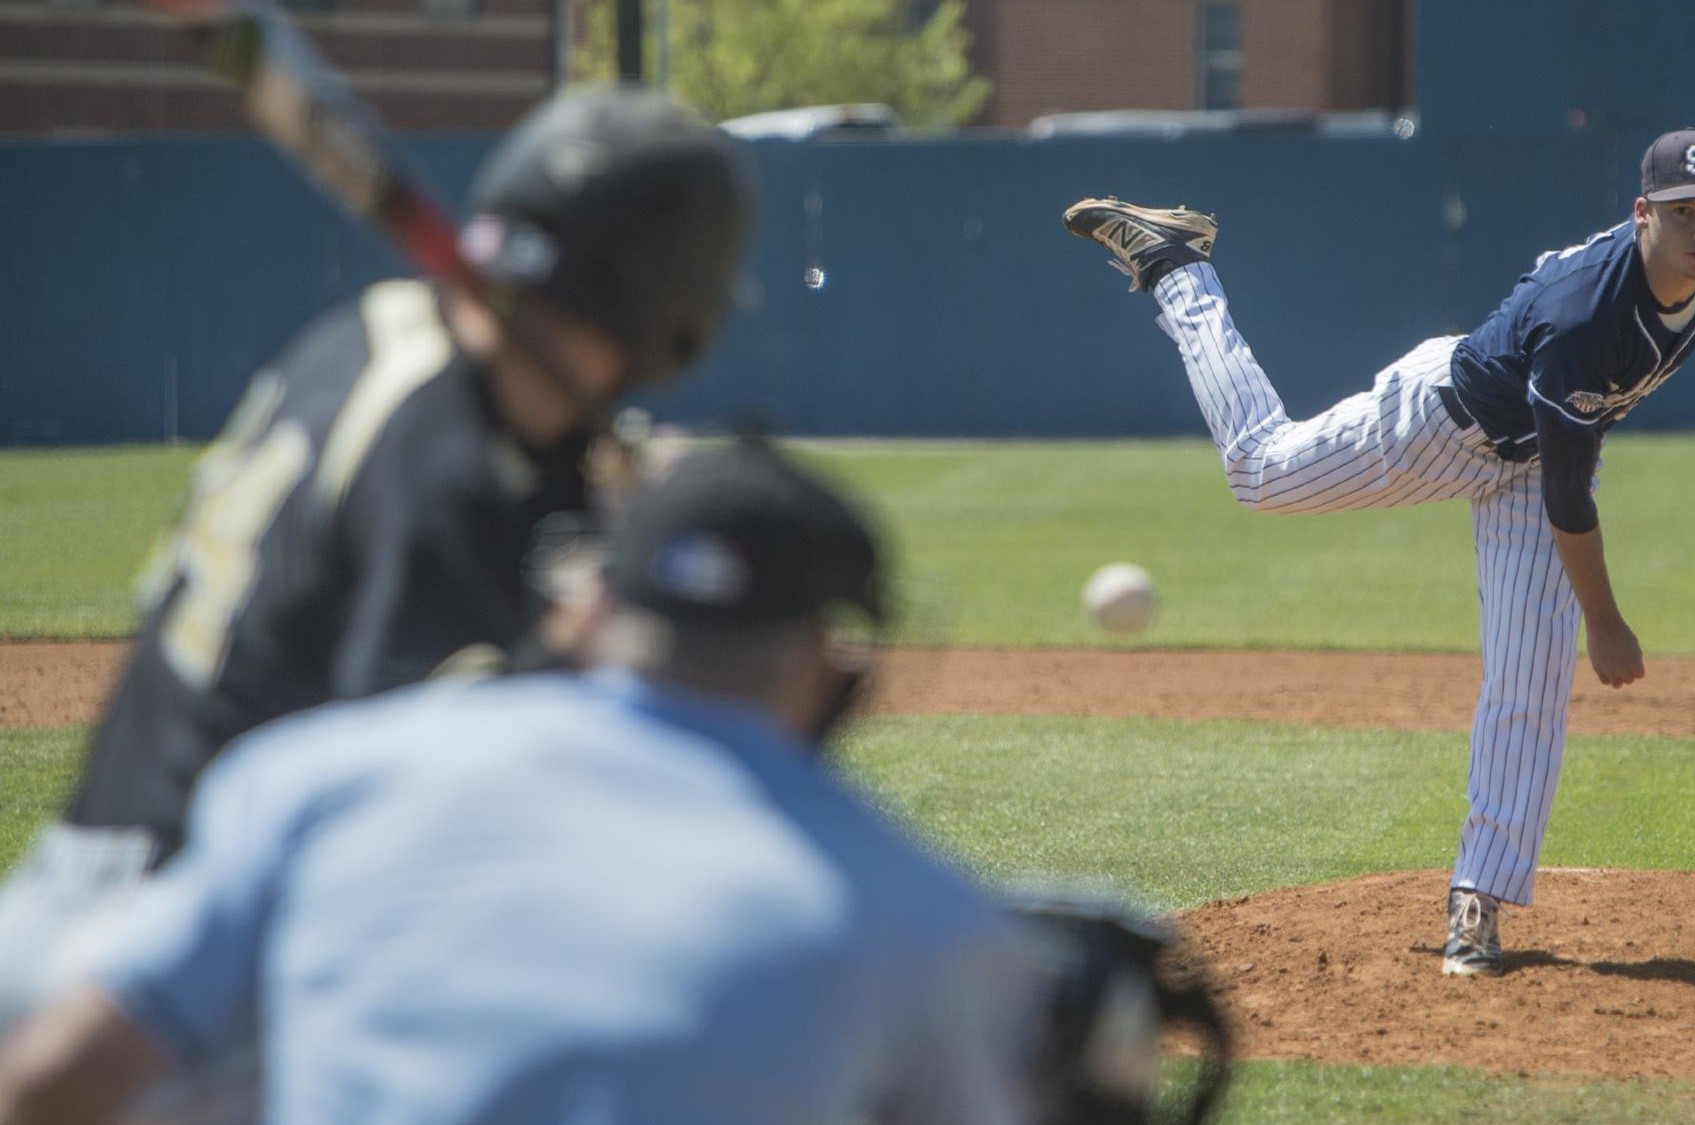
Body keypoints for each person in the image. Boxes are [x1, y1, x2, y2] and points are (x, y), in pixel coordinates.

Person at [0, 437, 1042, 1125]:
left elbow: (56, 1077)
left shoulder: (311, 778)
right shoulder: (925, 921)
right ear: (825, 664)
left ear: (585, 615)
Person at [0, 86, 754, 1023]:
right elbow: (416, 795)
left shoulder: (386, 331)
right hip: (170, 963)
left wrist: (605, 494)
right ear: (671, 312)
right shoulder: (443, 463)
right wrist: (572, 643)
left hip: (80, 891)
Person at [1063, 129, 1695, 977]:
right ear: (1641, 214)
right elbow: (1568, 499)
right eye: (1682, 213)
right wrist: (1608, 623)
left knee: (1528, 674)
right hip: (1441, 424)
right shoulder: (1584, 320)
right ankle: (1178, 266)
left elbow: (1580, 412)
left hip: (1530, 448)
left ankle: (1476, 899)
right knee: (1258, 471)